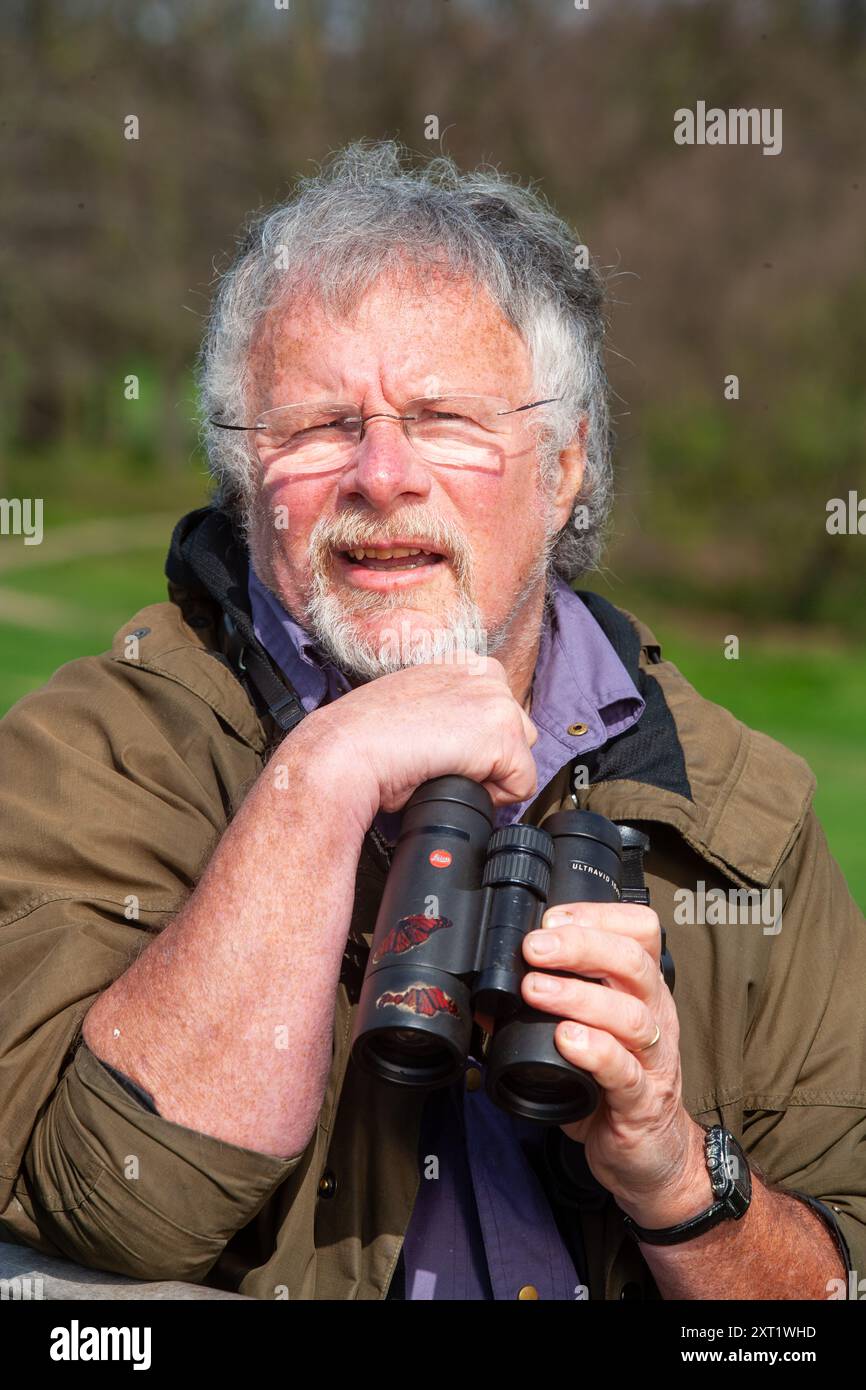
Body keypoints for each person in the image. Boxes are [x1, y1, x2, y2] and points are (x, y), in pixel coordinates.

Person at [1, 140, 863, 1302]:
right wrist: (316, 782)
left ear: (564, 469)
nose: (383, 473)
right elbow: (107, 1208)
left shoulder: (738, 814)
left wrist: (674, 1173)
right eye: (315, 427)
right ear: (243, 476)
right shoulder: (92, 755)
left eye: (444, 417)